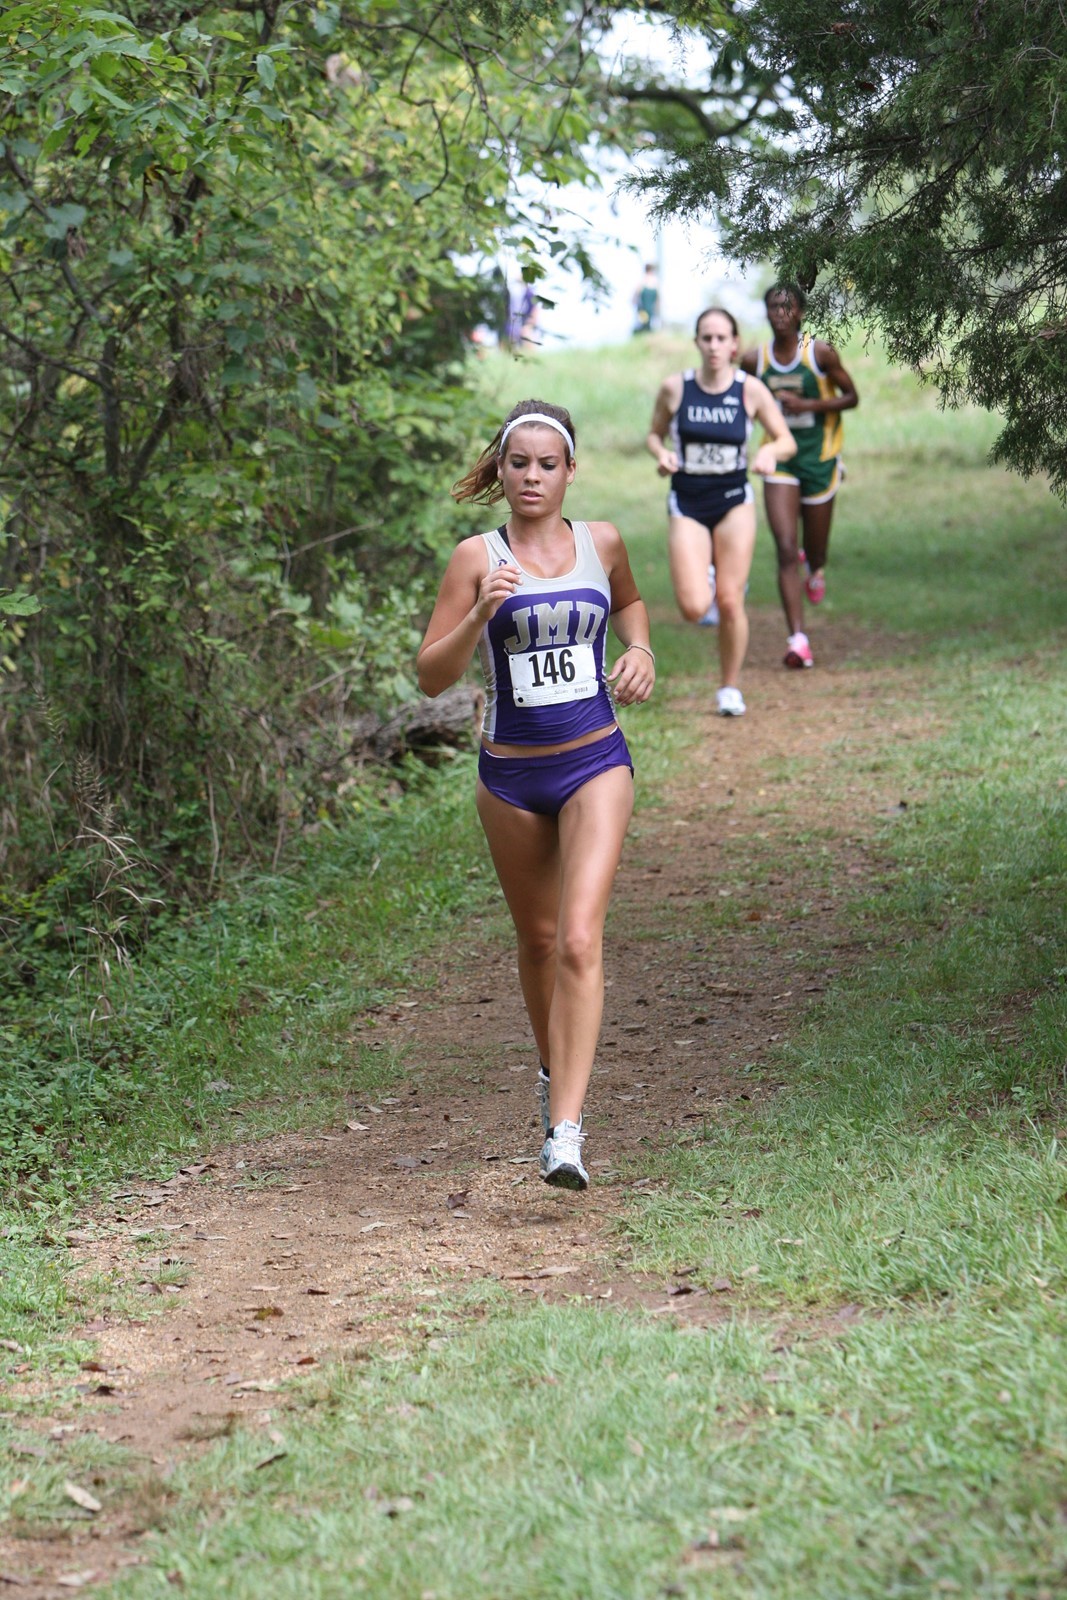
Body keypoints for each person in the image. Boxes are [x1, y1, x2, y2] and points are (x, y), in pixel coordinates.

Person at [417, 400, 655, 1191]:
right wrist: (479, 613)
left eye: (546, 464)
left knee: (581, 939)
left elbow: (628, 601)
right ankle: (555, 1075)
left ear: (569, 472)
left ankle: (565, 1134)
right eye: (517, 462)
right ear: (500, 468)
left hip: (596, 762)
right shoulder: (474, 557)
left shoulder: (601, 543)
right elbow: (430, 675)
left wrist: (641, 649)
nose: (531, 476)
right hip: (511, 777)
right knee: (541, 942)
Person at [647, 306, 796, 717]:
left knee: (730, 603)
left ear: (734, 344)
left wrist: (769, 452)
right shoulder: (675, 388)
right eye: (706, 338)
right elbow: (654, 435)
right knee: (695, 608)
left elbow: (785, 440)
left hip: (733, 500)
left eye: (721, 338)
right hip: (687, 501)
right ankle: (710, 576)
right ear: (697, 342)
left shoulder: (750, 390)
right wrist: (662, 454)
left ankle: (729, 687)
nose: (713, 346)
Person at [741, 285, 859, 670]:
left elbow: (852, 397)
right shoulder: (755, 359)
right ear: (766, 312)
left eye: (788, 307)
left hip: (819, 458)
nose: (781, 313)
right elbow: (737, 398)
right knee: (785, 548)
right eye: (774, 306)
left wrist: (808, 404)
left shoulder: (818, 352)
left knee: (816, 549)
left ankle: (816, 566)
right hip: (780, 459)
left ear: (801, 313)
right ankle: (798, 640)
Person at [633, 262, 660, 334]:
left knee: (647, 324)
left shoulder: (650, 281)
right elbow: (636, 294)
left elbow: (657, 297)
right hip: (644, 307)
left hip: (650, 307)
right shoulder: (647, 281)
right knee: (644, 323)